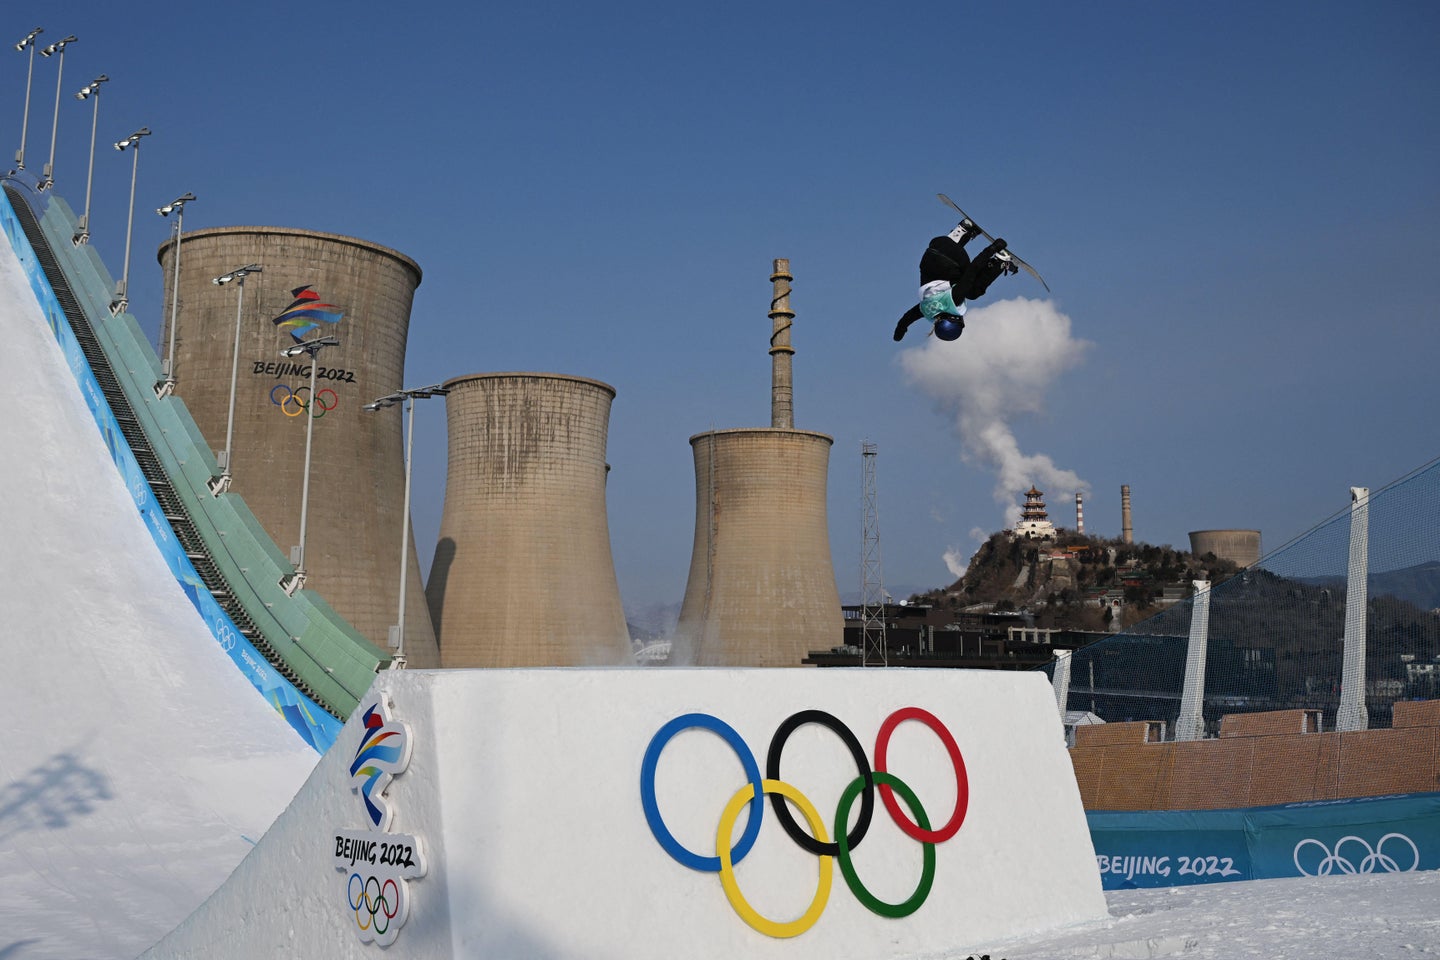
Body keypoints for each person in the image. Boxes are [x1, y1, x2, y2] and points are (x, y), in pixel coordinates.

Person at [892, 220, 1017, 341]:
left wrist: (993, 248)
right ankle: (963, 230)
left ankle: (999, 262)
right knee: (950, 272)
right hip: (936, 245)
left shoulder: (953, 299)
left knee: (972, 292)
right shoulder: (927, 309)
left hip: (953, 255)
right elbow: (907, 319)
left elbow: (973, 270)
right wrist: (899, 332)